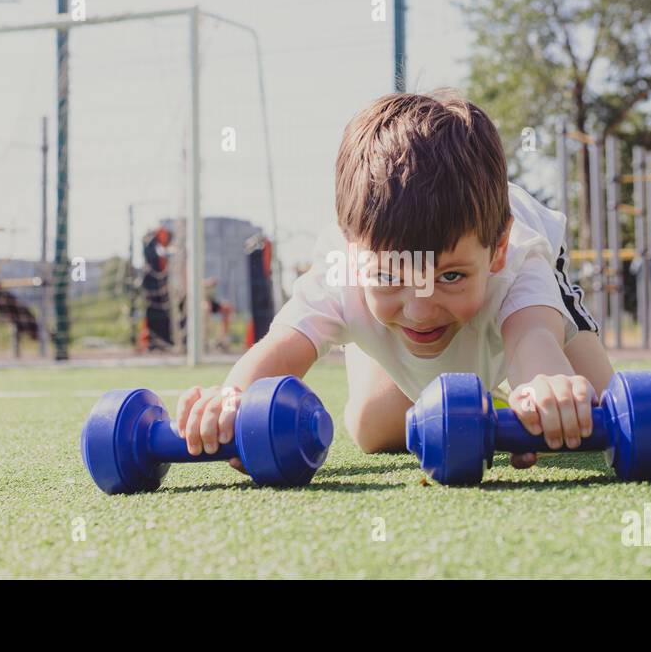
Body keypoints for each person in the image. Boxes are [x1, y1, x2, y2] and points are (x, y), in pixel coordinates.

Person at [173, 89, 614, 474]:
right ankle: (434, 363)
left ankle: (508, 384)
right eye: (388, 276)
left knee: (590, 407)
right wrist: (230, 399)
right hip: (399, 293)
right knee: (373, 428)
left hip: (515, 284)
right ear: (351, 251)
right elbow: (281, 344)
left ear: (494, 251)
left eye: (451, 276)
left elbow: (531, 335)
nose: (421, 308)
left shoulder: (515, 256)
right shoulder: (341, 271)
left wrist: (543, 386)